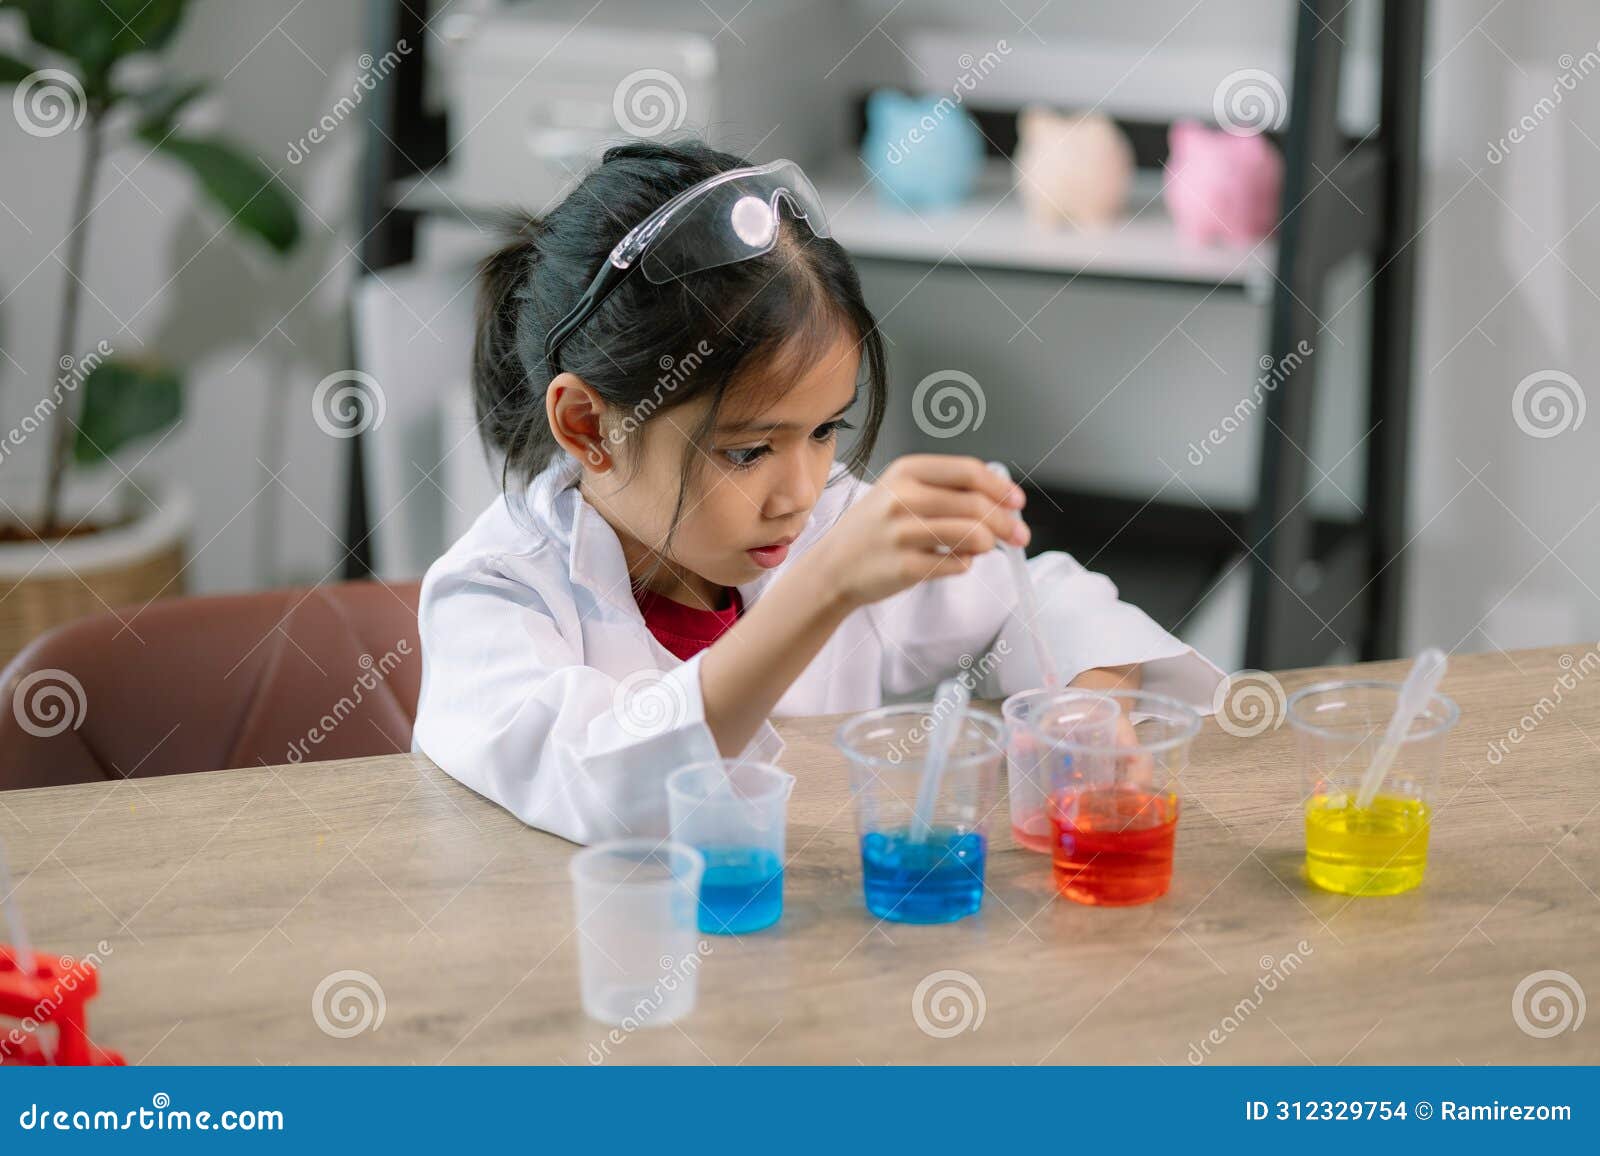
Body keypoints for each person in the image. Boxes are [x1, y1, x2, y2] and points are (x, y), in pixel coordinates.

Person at [412, 140, 1221, 844]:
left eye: (827, 429)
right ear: (589, 425)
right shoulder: (493, 601)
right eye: (748, 450)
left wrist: (1091, 710)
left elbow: (1035, 597)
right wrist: (825, 588)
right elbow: (608, 786)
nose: (799, 493)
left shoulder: (822, 513)